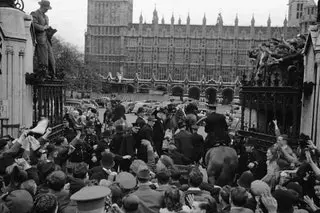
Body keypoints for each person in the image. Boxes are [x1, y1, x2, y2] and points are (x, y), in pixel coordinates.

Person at [31, 0, 56, 79]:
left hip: (47, 39)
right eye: (46, 8)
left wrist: (50, 30)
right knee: (43, 57)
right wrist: (43, 28)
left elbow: (46, 27)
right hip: (40, 39)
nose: (47, 10)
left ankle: (52, 73)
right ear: (42, 6)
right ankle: (43, 73)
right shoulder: (35, 13)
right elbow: (33, 24)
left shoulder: (46, 16)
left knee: (51, 57)